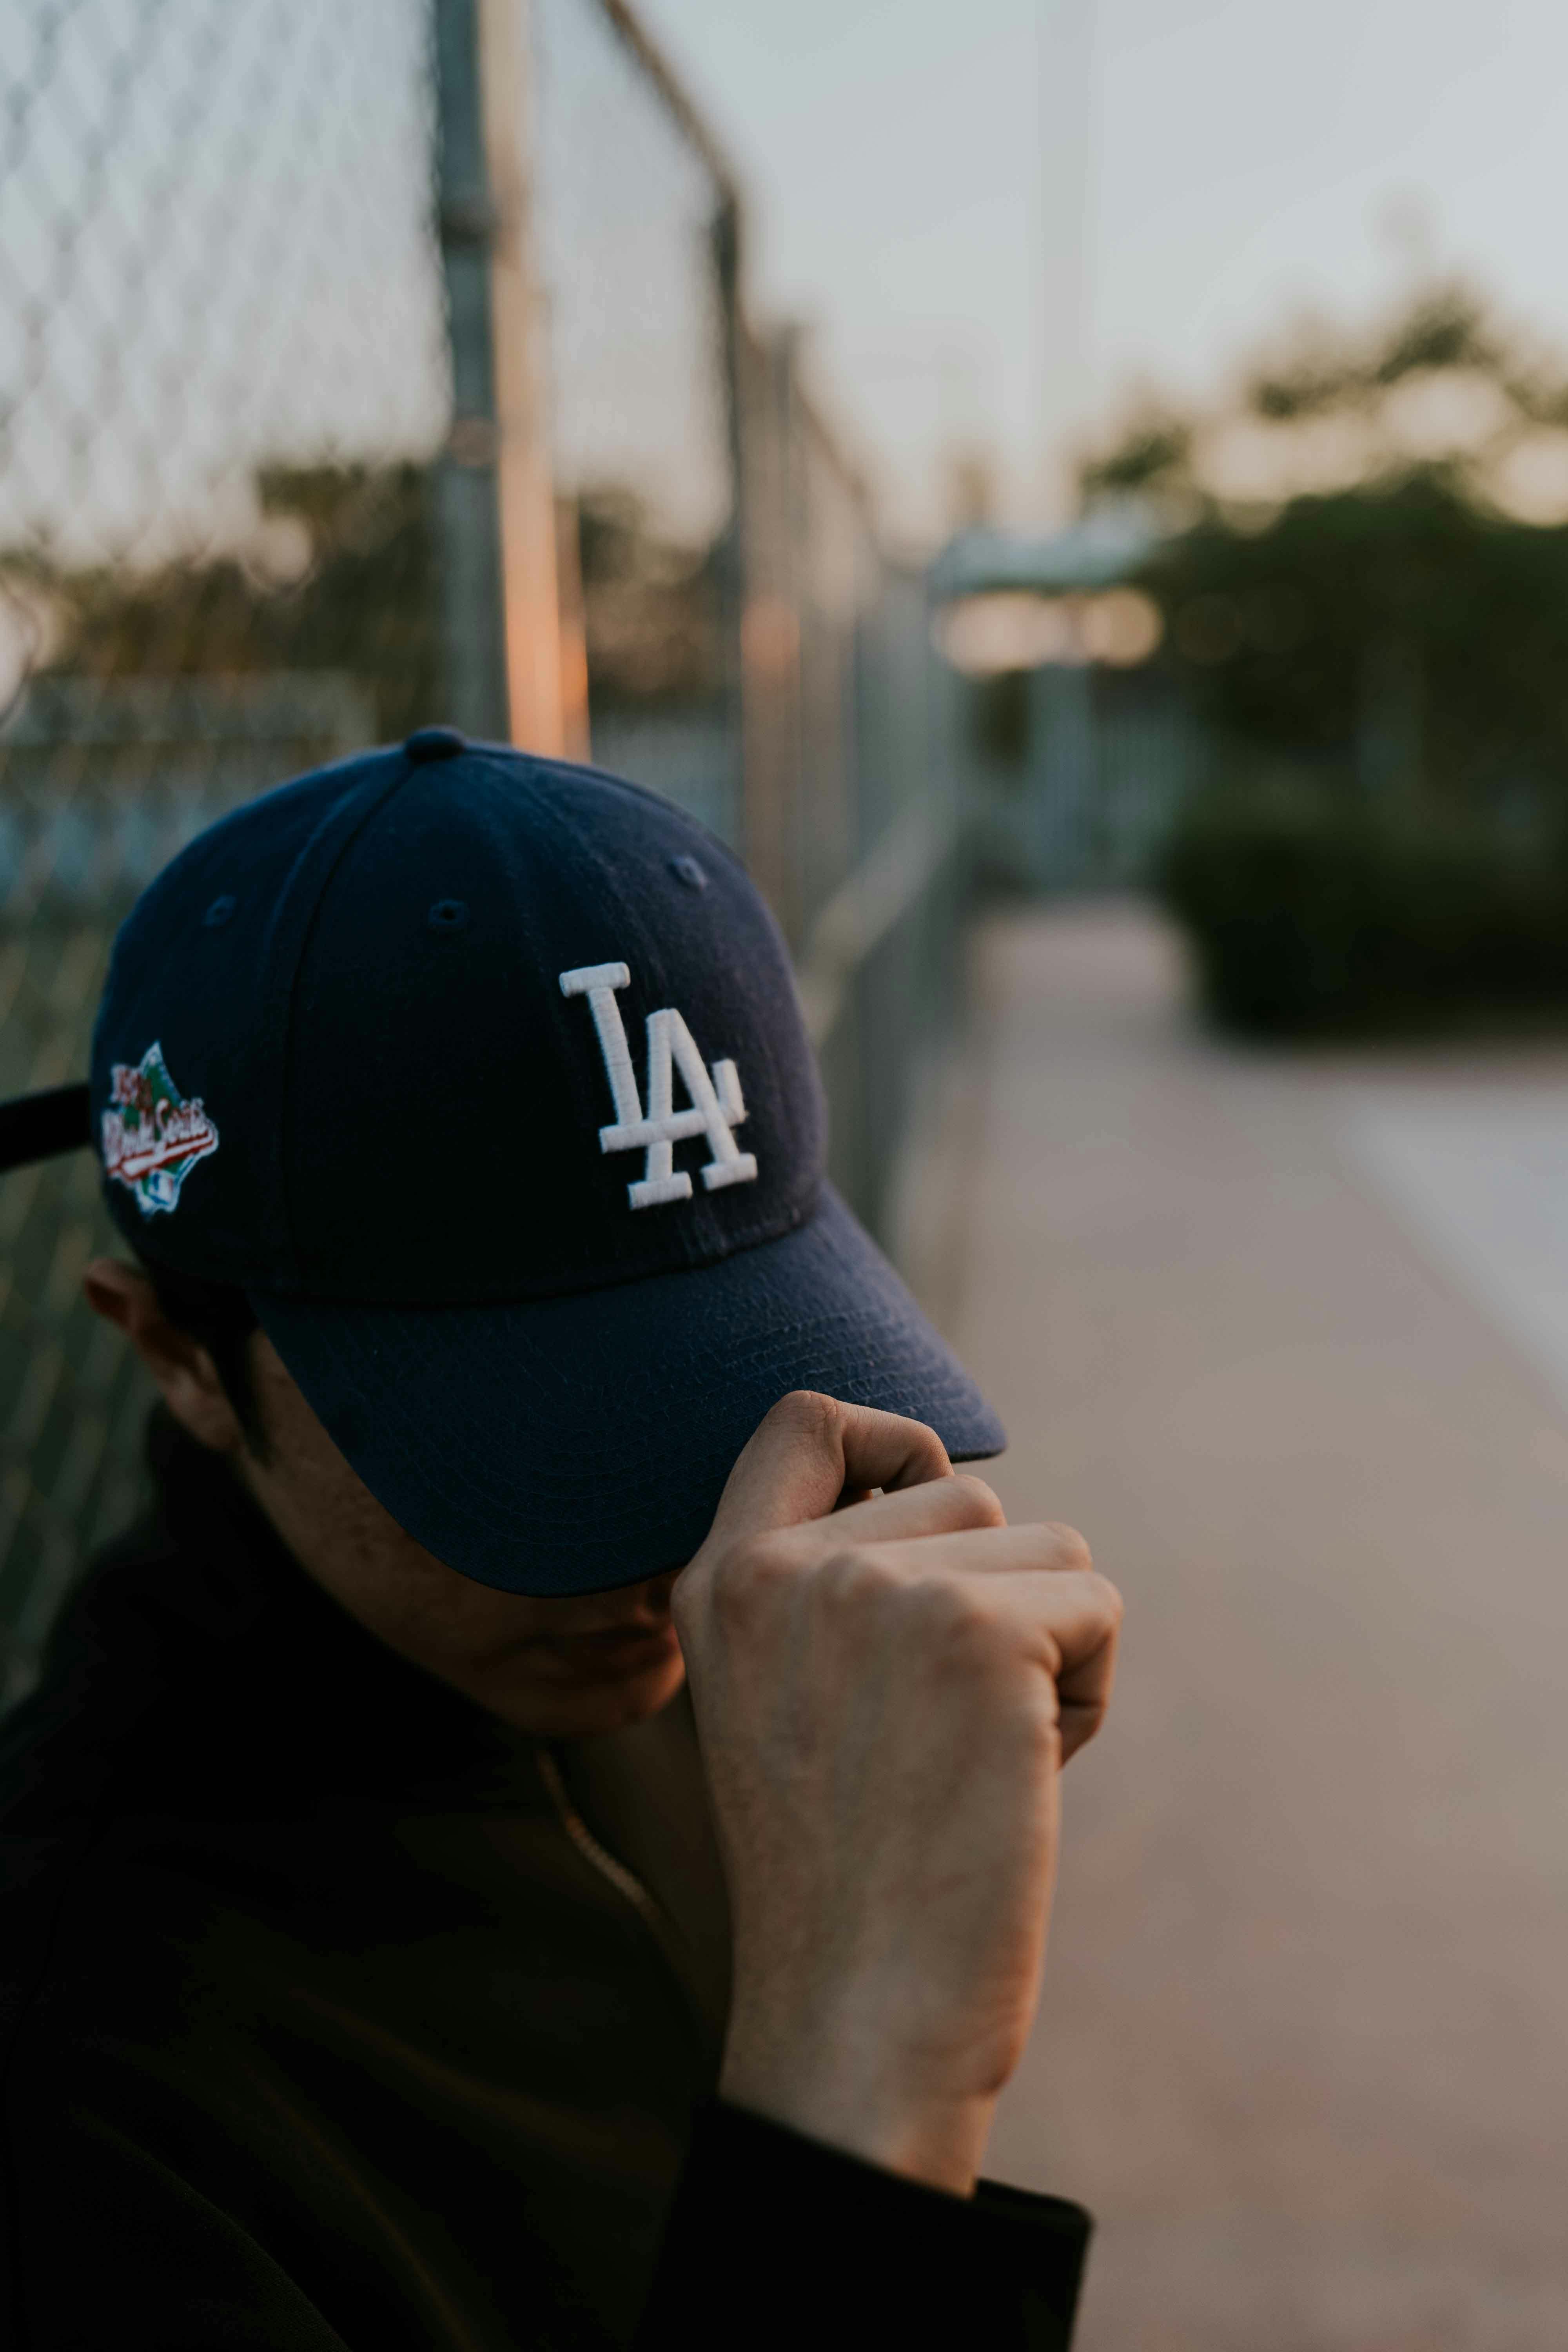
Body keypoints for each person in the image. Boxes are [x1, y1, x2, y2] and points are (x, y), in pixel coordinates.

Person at [0, 728, 1123, 2350]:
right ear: (176, 1353)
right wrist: (860, 2094)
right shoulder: (90, 2084)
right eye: (539, 1451)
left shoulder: (709, 1641)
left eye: (720, 1379)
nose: (682, 1553)